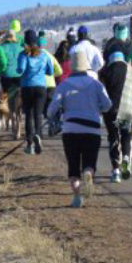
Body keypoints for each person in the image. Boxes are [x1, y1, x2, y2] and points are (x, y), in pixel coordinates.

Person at [47, 47, 111, 208]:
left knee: (73, 166)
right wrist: (97, 109)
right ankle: (88, 173)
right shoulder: (96, 84)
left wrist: (59, 112)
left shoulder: (64, 85)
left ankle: (77, 197)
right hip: (92, 129)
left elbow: (51, 110)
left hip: (70, 129)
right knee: (89, 161)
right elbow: (108, 105)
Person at [99, 29, 132, 183]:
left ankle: (115, 170)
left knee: (113, 138)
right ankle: (126, 157)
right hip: (127, 109)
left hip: (111, 110)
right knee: (126, 136)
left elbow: (100, 93)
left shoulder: (104, 72)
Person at [17, 30, 55, 153]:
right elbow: (50, 71)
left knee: (28, 115)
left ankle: (29, 145)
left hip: (27, 88)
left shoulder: (23, 54)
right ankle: (38, 135)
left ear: (26, 41)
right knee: (38, 114)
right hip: (41, 88)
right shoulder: (44, 55)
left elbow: (20, 70)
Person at [0, 29, 24, 136]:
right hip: (19, 77)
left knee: (9, 101)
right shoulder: (21, 48)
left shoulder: (2, 48)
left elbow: (1, 62)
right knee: (19, 101)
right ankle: (18, 124)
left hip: (6, 76)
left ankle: (12, 121)